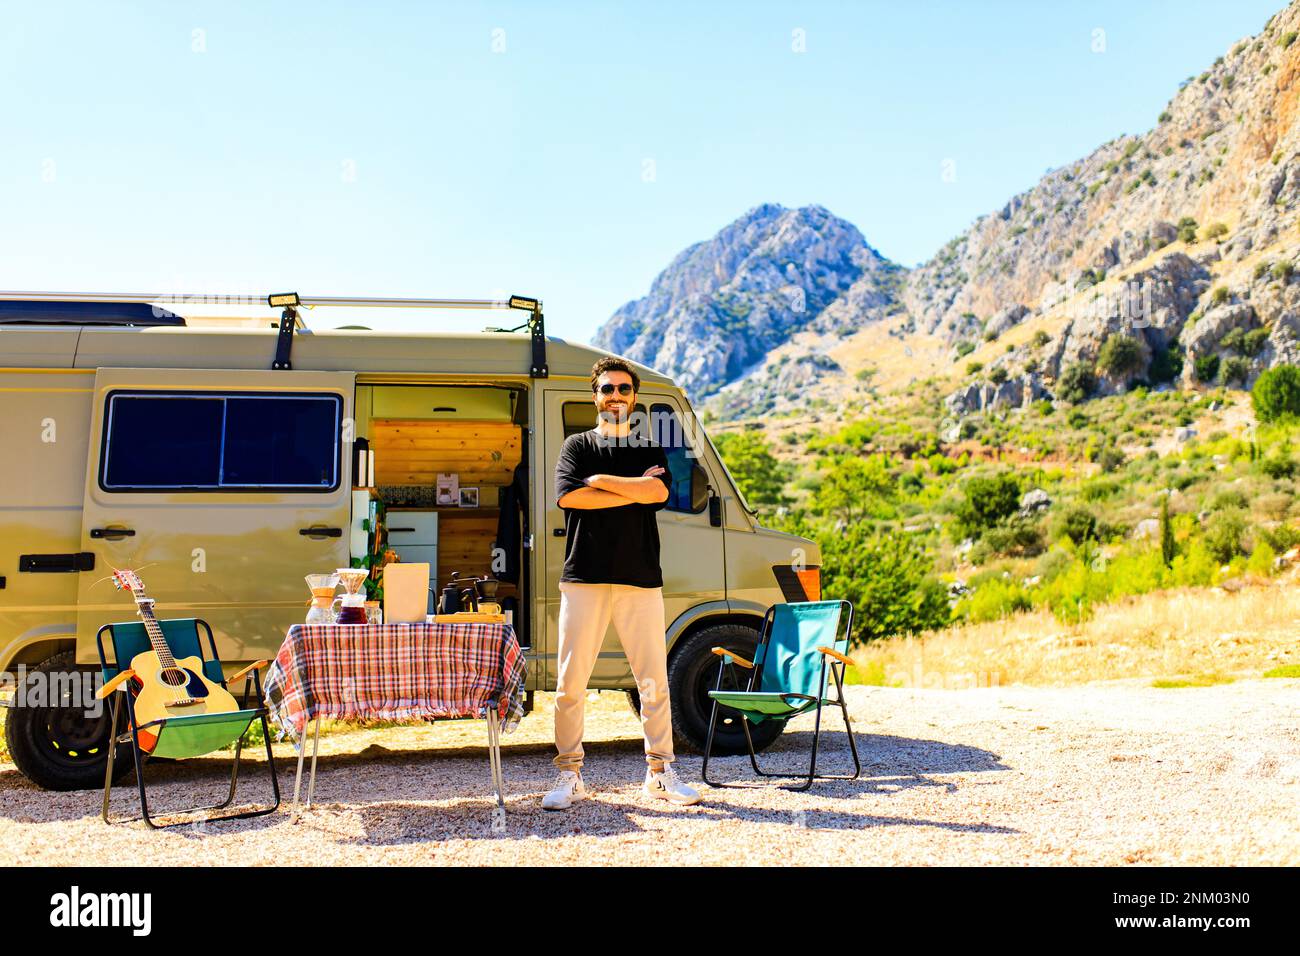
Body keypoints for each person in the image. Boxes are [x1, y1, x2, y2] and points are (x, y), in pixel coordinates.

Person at [542, 356, 702, 810]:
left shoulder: (650, 449)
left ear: (634, 398)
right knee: (571, 683)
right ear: (595, 395)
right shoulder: (575, 447)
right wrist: (629, 488)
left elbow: (657, 494)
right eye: (607, 388)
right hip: (584, 578)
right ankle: (569, 775)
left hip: (641, 579)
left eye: (623, 389)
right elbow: (570, 497)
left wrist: (602, 483)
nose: (615, 396)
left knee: (653, 680)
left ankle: (660, 773)